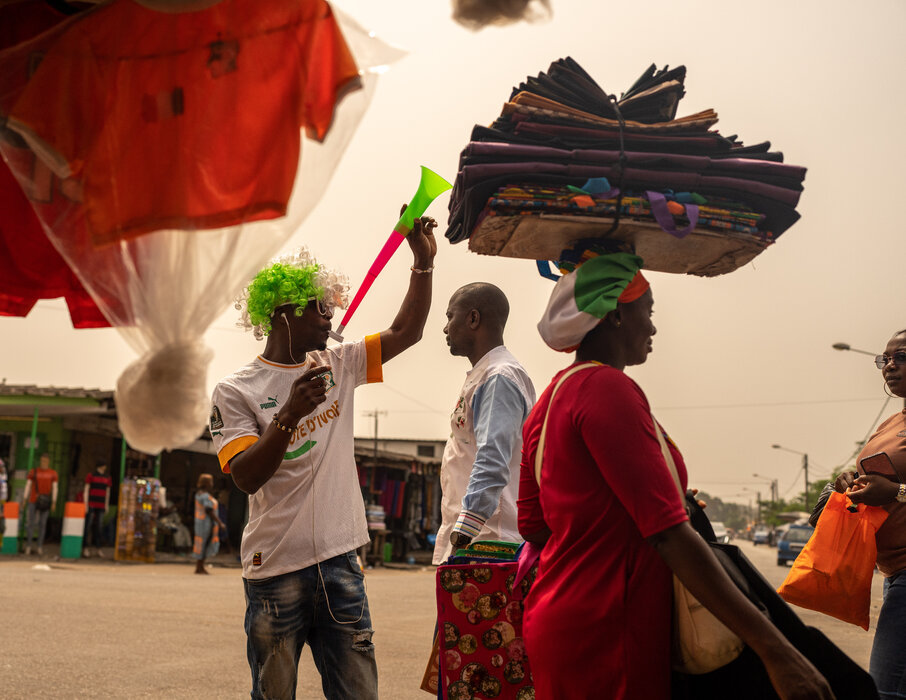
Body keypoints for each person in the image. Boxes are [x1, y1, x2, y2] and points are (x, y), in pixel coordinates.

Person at [517, 252, 832, 700]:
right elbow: (668, 535)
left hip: (559, 616)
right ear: (616, 315)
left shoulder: (550, 401)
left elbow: (534, 524)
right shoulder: (607, 388)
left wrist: (628, 514)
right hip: (611, 626)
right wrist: (777, 651)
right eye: (648, 312)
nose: (653, 328)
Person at [210, 214, 436, 700]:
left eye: (332, 308)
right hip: (274, 570)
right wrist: (289, 414)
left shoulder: (340, 363)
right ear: (284, 313)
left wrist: (422, 263)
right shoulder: (236, 390)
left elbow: (407, 330)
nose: (331, 318)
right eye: (320, 308)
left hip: (340, 564)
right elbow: (246, 477)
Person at [827, 329, 906, 699]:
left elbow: (895, 489)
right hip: (893, 572)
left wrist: (896, 492)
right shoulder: (892, 423)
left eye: (901, 357)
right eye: (884, 359)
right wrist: (851, 481)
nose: (889, 366)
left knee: (885, 690)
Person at [432, 282, 535, 564]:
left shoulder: (498, 377)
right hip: (480, 540)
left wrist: (464, 533)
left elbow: (492, 458)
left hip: (488, 544)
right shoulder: (488, 374)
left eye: (450, 316)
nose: (445, 328)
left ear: (473, 318)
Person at [23, 453, 58, 556]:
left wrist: (54, 501)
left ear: (49, 462)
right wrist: (25, 498)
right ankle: (28, 546)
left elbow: (55, 488)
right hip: (33, 500)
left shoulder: (53, 473)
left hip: (45, 501)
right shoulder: (33, 471)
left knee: (42, 524)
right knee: (30, 523)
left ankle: (39, 546)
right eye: (42, 461)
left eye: (45, 461)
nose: (44, 463)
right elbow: (28, 485)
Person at [193, 473, 224, 575]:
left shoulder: (199, 494)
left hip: (200, 523)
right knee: (204, 544)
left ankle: (200, 566)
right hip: (206, 524)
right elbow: (209, 510)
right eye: (211, 482)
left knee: (201, 544)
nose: (212, 484)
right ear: (207, 483)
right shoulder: (205, 496)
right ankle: (200, 567)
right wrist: (220, 523)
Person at [83, 459, 112, 558]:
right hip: (91, 503)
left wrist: (106, 505)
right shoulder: (91, 475)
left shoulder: (107, 477)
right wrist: (86, 504)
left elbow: (107, 492)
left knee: (99, 527)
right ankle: (85, 548)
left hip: (101, 504)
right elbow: (86, 490)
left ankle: (98, 548)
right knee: (88, 526)